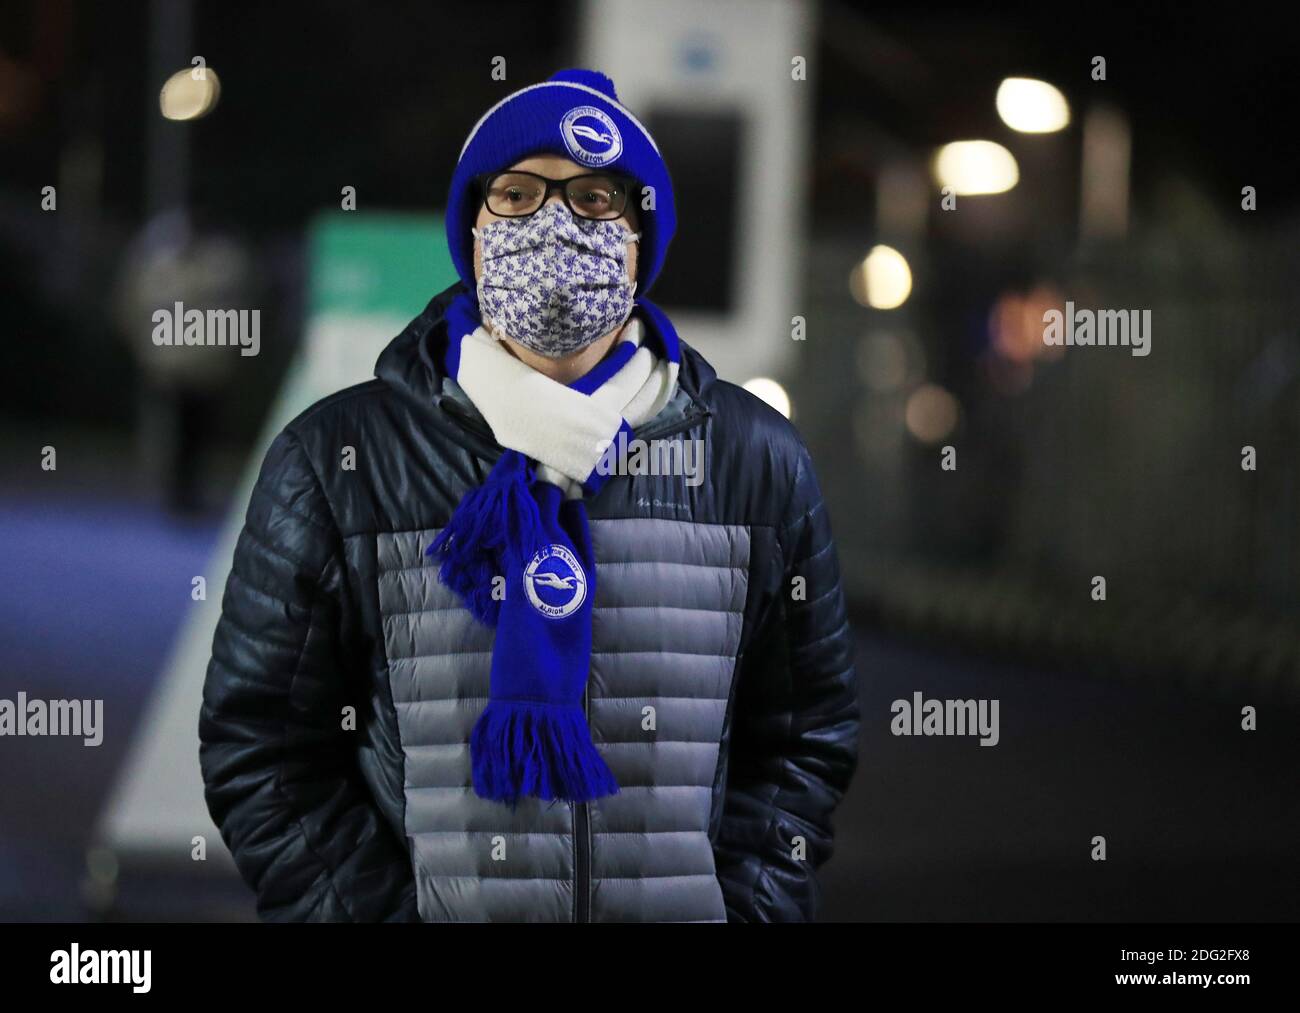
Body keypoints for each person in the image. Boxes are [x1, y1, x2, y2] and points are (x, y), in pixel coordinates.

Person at [198, 67, 860, 922]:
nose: (554, 224)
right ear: (472, 232)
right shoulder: (339, 460)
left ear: (638, 239)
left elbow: (805, 736)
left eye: (593, 198)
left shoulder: (755, 461)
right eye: (515, 195)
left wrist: (746, 908)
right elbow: (261, 746)